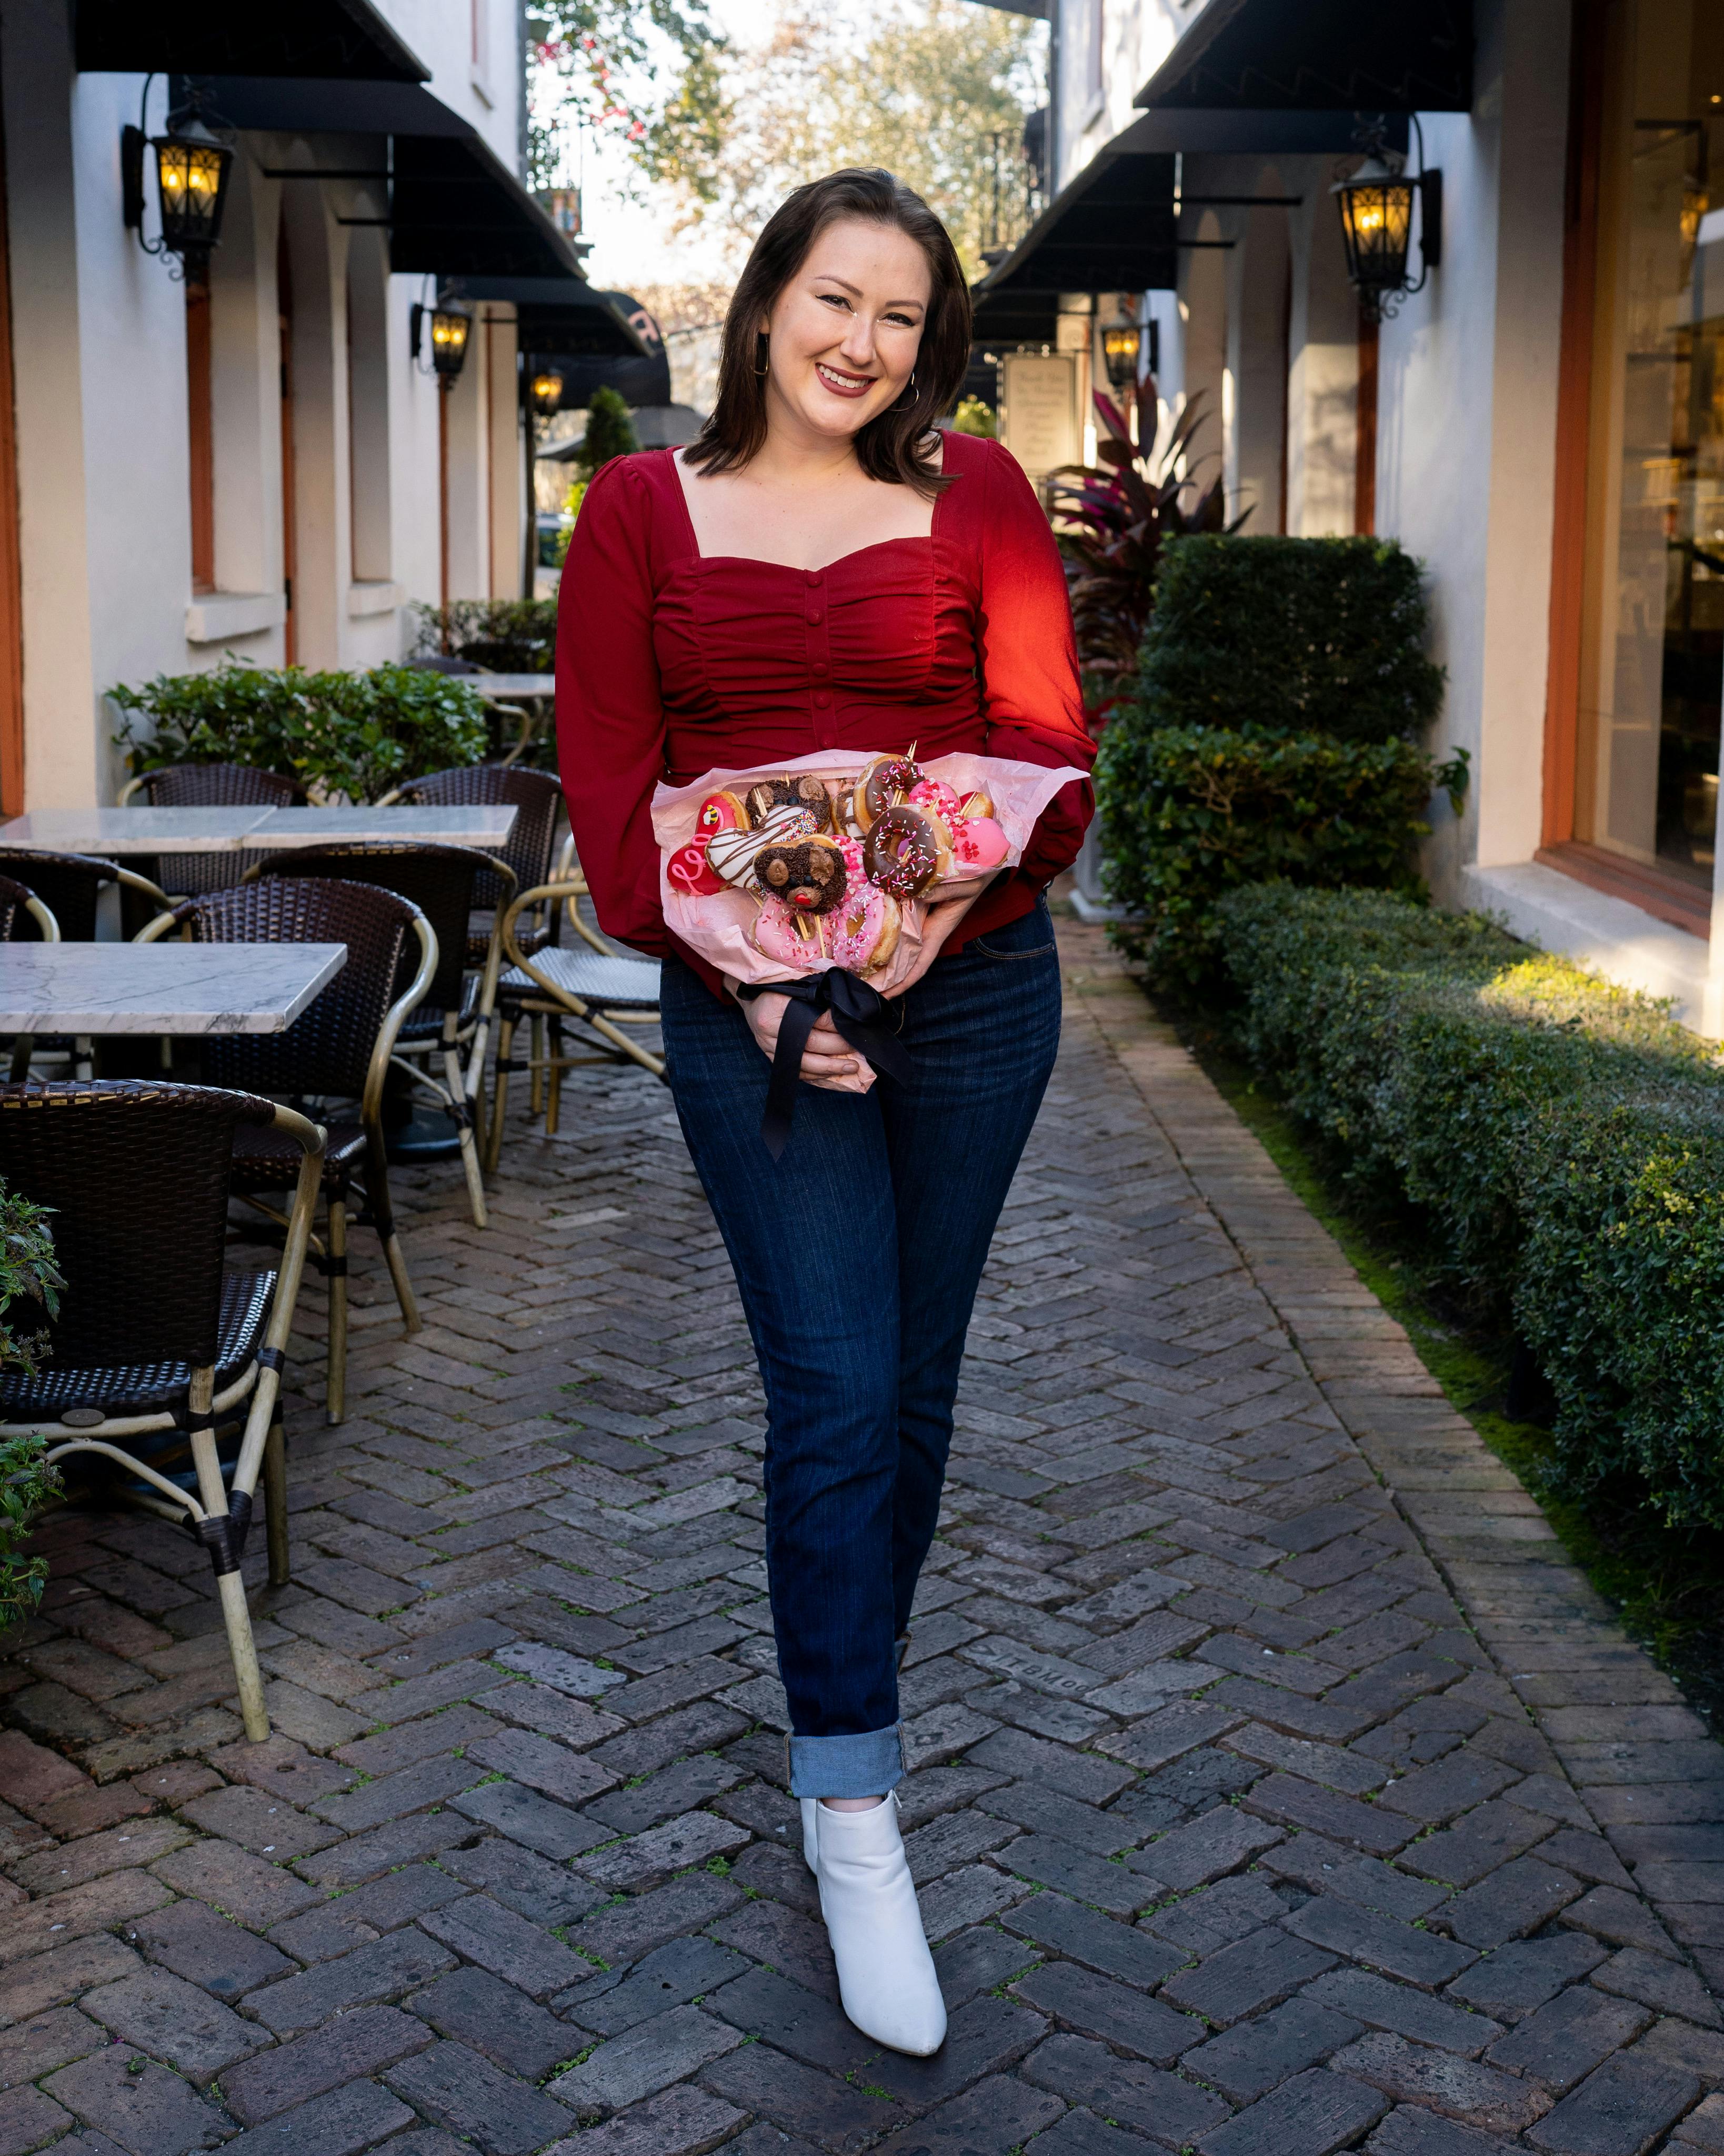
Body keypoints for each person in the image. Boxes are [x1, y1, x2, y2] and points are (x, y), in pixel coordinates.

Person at [557, 166, 1092, 2057]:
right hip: (742, 1006)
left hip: (969, 999)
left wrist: (914, 933)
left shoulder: (975, 500)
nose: (860, 344)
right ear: (767, 298)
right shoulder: (638, 509)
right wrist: (774, 981)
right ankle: (855, 1808)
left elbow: (1041, 749)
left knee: (916, 1388)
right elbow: (614, 792)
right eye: (832, 299)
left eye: (900, 318)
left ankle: (840, 1709)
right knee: (837, 1391)